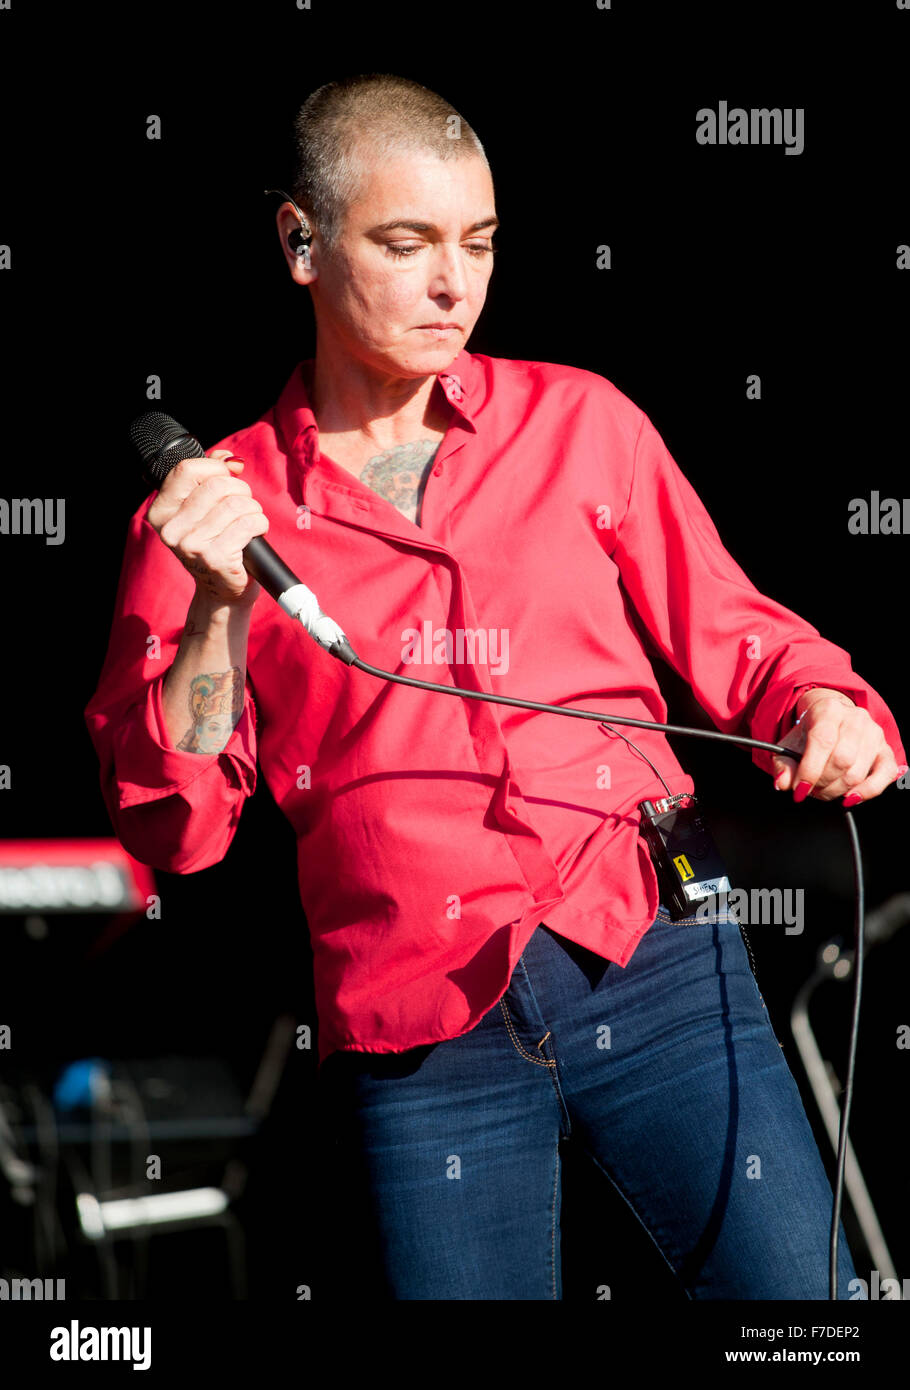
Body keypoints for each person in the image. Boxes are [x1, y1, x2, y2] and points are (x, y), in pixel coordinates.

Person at [85, 74, 906, 1301]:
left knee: (802, 1318)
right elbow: (178, 827)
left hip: (659, 958)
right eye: (406, 244)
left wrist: (822, 707)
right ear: (300, 243)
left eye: (477, 244)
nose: (452, 283)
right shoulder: (217, 507)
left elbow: (744, 637)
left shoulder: (581, 421)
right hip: (423, 1033)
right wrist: (218, 604)